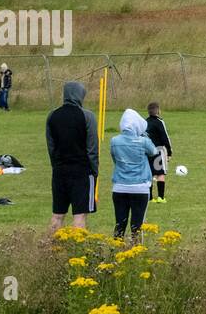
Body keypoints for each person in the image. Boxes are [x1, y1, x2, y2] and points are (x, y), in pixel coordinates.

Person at [46, 81, 99, 232]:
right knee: (80, 215)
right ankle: (77, 250)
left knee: (57, 215)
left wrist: (56, 166)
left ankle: (50, 250)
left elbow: (51, 147)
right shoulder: (87, 116)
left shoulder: (52, 116)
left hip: (59, 171)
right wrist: (94, 172)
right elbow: (92, 148)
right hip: (82, 172)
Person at [111, 109, 159, 240]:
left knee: (120, 224)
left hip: (119, 186)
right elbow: (154, 151)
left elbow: (115, 160)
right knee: (137, 225)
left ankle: (116, 250)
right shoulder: (143, 141)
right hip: (140, 186)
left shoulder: (114, 141)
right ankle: (137, 251)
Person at [147, 102, 173, 202]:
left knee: (149, 173)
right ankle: (161, 197)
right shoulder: (159, 122)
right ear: (158, 111)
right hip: (158, 150)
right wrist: (169, 152)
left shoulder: (145, 122)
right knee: (160, 173)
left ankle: (150, 198)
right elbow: (165, 137)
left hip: (147, 150)